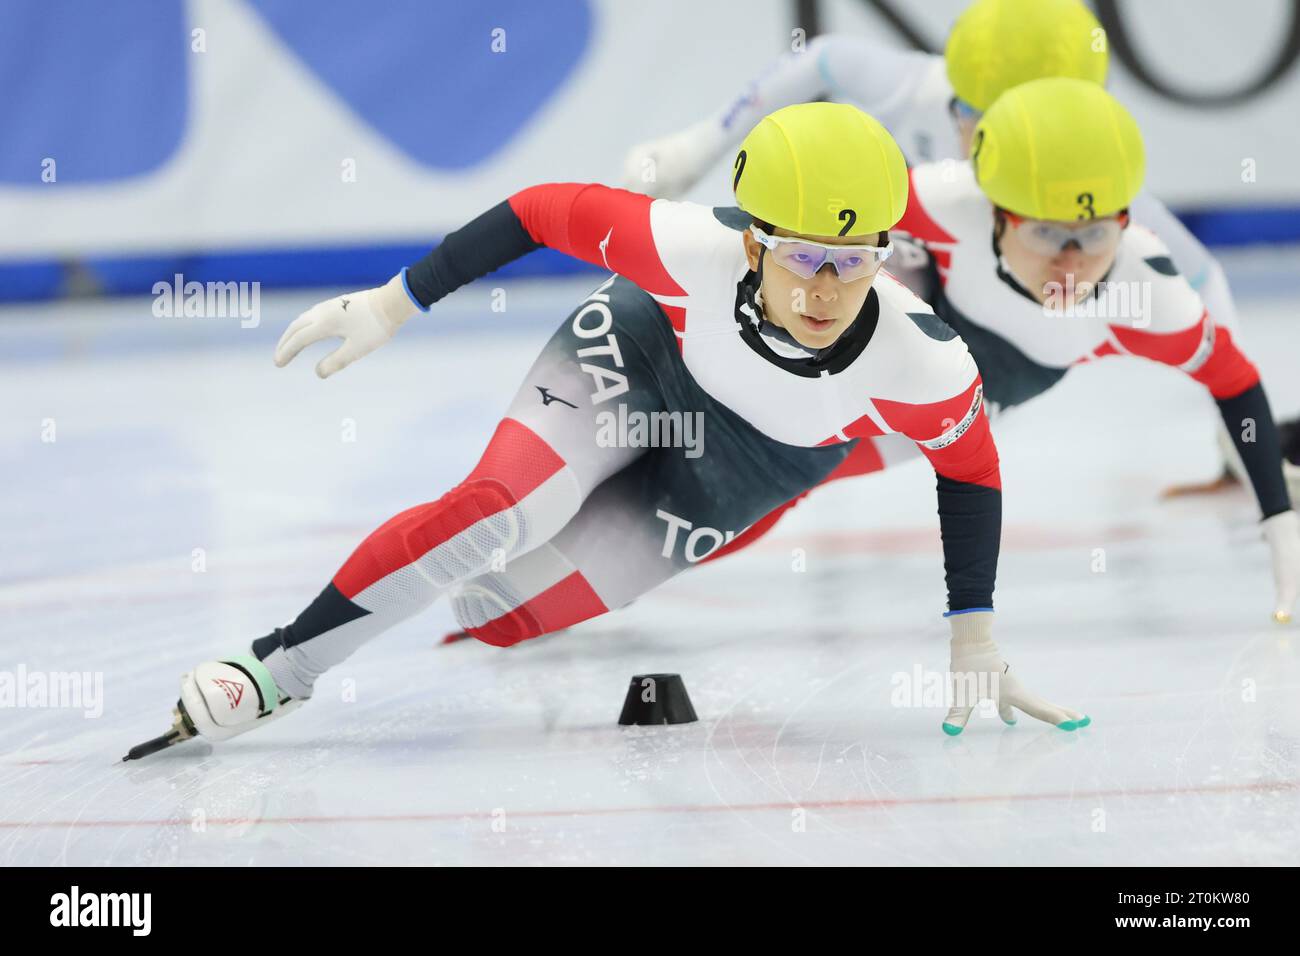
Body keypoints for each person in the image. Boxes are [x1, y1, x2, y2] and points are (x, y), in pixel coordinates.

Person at [146, 104, 1088, 755]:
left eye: (856, 259)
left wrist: (973, 635)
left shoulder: (923, 363)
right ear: (754, 240)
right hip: (638, 357)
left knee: (498, 615)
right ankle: (279, 667)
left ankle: (452, 591)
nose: (828, 288)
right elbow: (538, 210)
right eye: (804, 256)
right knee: (498, 513)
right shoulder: (684, 246)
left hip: (758, 461)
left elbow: (970, 476)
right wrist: (397, 302)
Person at [621, 0, 1295, 498]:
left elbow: (1200, 283)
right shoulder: (911, 86)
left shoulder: (1080, 185)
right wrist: (696, 145)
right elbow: (819, 61)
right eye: (970, 118)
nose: (979, 143)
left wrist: (1237, 444)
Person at [706, 79, 1299, 625]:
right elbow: (794, 222)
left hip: (957, 404)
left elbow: (1235, 383)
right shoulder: (942, 200)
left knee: (775, 480)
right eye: (1044, 233)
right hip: (910, 329)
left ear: (1123, 222)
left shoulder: (1145, 292)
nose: (1070, 261)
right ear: (995, 212)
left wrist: (1278, 517)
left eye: (1093, 235)